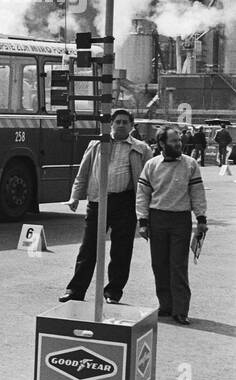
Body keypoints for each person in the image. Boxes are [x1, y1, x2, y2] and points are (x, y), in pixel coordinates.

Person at [60, 108, 153, 305]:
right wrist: (75, 196)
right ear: (111, 124)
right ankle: (75, 290)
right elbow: (83, 173)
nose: (120, 125)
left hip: (125, 203)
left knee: (121, 250)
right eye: (117, 121)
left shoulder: (141, 148)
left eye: (124, 122)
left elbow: (148, 180)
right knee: (88, 248)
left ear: (131, 125)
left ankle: (113, 292)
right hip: (97, 201)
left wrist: (146, 209)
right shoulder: (96, 144)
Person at [137, 126, 208, 324]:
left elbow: (197, 193)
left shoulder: (190, 164)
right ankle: (166, 306)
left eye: (179, 140)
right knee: (159, 264)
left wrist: (201, 219)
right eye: (174, 141)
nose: (179, 144)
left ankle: (180, 310)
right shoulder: (151, 165)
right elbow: (143, 195)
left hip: (180, 220)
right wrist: (142, 221)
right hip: (157, 218)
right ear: (161, 144)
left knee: (178, 265)